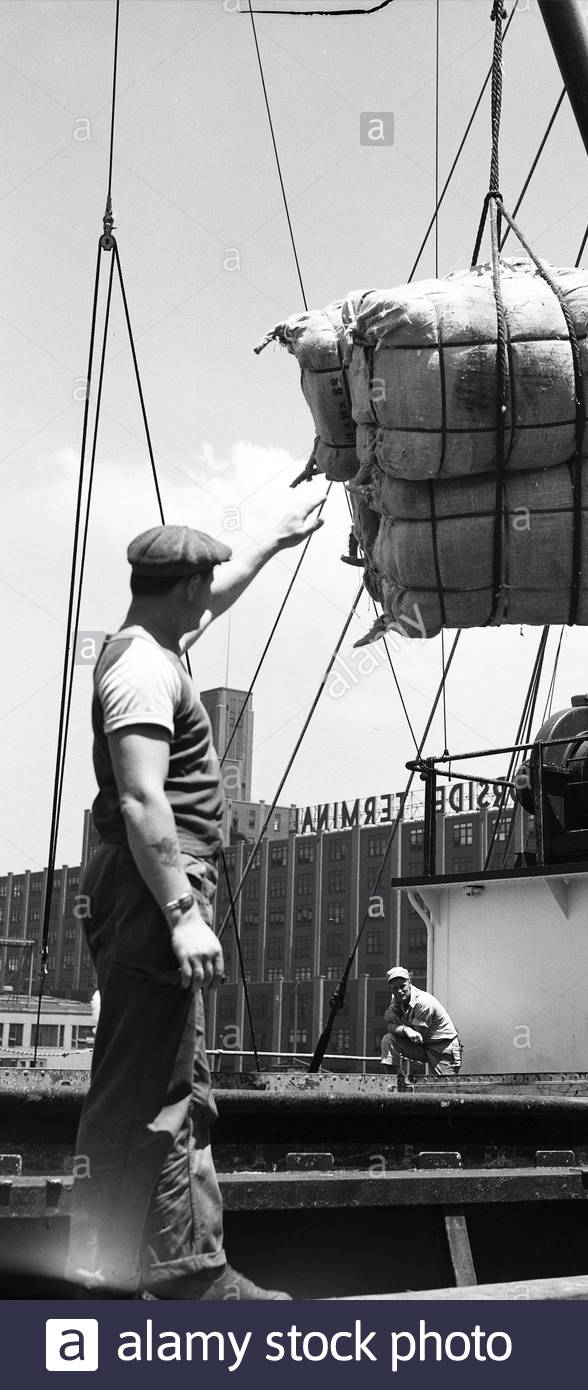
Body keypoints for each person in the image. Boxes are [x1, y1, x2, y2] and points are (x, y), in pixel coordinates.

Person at [66, 496, 324, 1300]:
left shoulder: (155, 632)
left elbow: (224, 585)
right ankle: (187, 1284)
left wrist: (277, 538)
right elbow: (144, 800)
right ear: (181, 590)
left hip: (153, 888)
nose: (210, 599)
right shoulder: (144, 668)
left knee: (173, 1082)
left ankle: (130, 1268)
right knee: (153, 1092)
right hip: (154, 895)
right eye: (203, 588)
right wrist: (182, 913)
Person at [380, 967, 462, 1076]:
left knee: (444, 1089)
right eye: (395, 988)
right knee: (388, 1039)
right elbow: (389, 1025)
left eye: (402, 986)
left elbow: (417, 1037)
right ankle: (393, 1084)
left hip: (443, 1048)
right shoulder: (396, 999)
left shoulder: (423, 1002)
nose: (399, 991)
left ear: (410, 983)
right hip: (424, 1047)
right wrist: (406, 1029)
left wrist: (398, 1025)